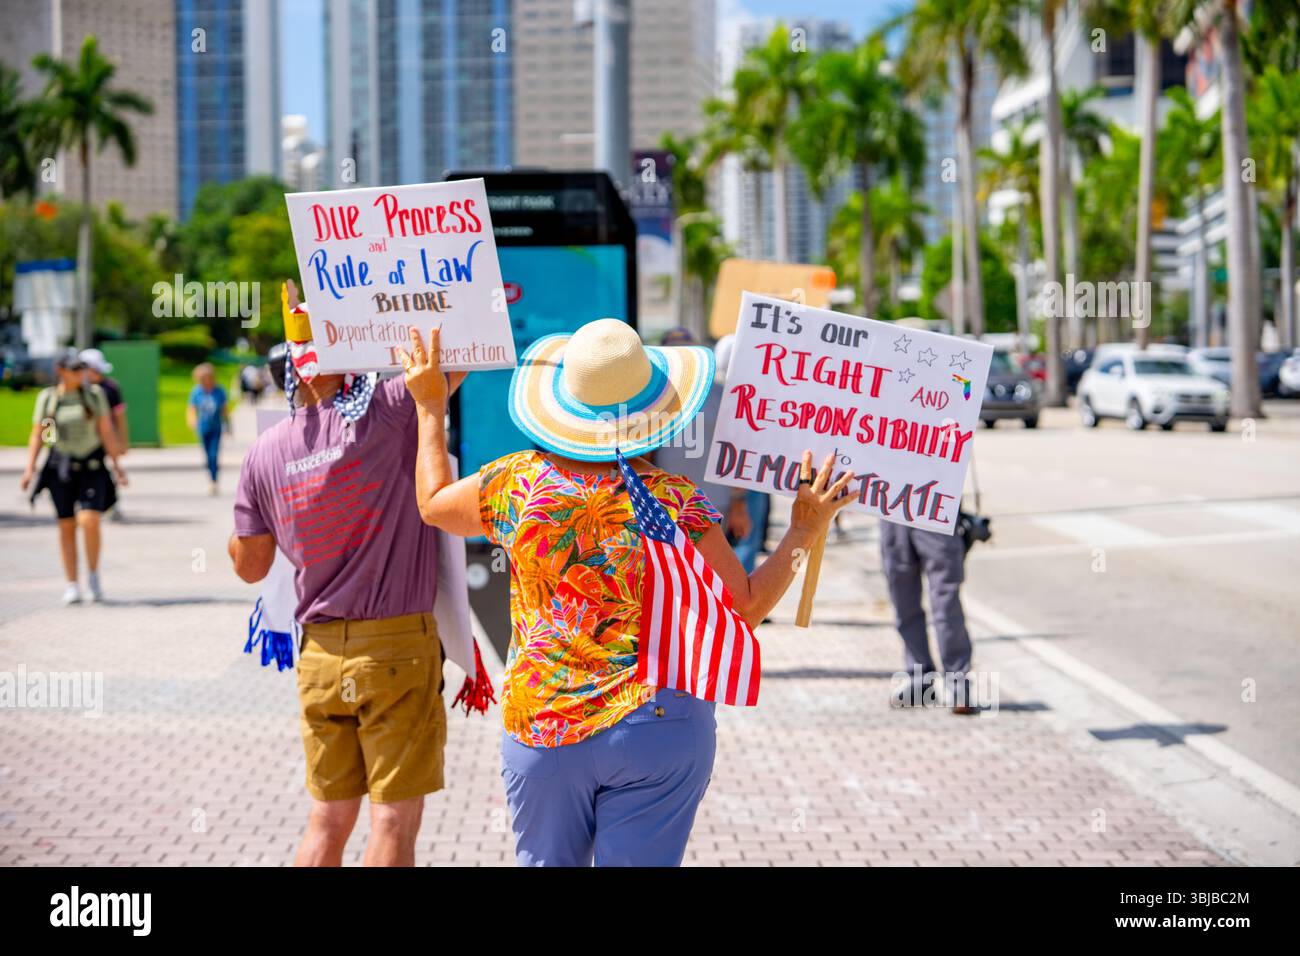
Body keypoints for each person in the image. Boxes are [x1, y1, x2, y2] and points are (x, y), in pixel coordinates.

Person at [397, 319, 854, 866]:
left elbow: (432, 502)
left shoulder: (517, 484)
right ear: (649, 407)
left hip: (545, 726)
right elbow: (745, 608)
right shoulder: (673, 498)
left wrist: (430, 407)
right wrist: (804, 528)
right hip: (657, 725)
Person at [228, 293, 479, 867]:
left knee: (327, 819)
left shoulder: (264, 452)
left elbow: (251, 566)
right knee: (392, 820)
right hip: (395, 652)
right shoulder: (389, 412)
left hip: (317, 655)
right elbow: (465, 346)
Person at [20, 349, 127, 604]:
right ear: (61, 371)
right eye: (75, 369)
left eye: (82, 368)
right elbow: (42, 437)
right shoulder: (49, 399)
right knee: (66, 525)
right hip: (61, 469)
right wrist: (30, 468)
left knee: (89, 520)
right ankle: (71, 583)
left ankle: (92, 576)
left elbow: (105, 431)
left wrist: (117, 465)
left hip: (91, 466)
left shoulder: (94, 396)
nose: (81, 373)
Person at [879, 521, 976, 714]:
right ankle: (919, 680)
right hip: (893, 513)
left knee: (945, 602)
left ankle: (958, 684)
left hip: (936, 510)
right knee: (902, 598)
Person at [80, 348, 129, 522]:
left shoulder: (105, 390)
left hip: (98, 440)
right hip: (67, 447)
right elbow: (47, 422)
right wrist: (52, 443)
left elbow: (113, 420)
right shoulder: (56, 393)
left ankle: (105, 504)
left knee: (98, 470)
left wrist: (122, 441)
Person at [187, 362, 230, 495]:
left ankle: (214, 480)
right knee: (207, 455)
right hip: (203, 427)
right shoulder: (197, 392)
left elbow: (224, 409)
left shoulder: (219, 391)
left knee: (214, 454)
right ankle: (211, 478)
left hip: (216, 427)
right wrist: (192, 421)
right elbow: (192, 409)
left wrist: (227, 424)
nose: (206, 381)